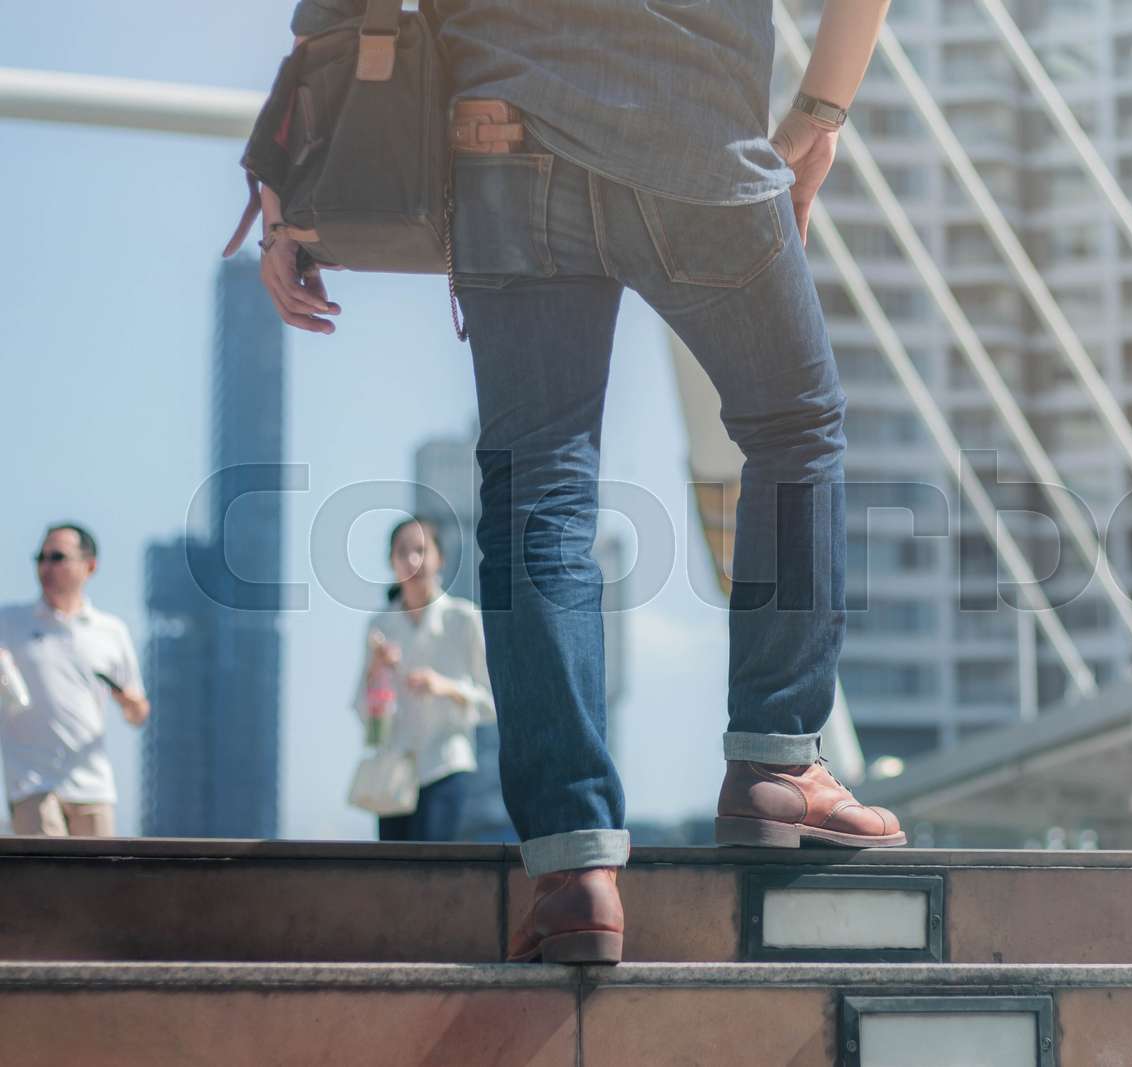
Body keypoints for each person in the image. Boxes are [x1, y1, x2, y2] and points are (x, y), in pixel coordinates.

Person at [263, 0, 903, 964]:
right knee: (792, 428)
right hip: (696, 136)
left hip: (504, 144)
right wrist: (818, 115)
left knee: (538, 492)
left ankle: (573, 870)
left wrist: (284, 193)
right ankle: (779, 768)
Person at [0, 524, 149, 837]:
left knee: (99, 870)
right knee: (48, 869)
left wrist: (130, 703)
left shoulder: (111, 631)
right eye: (40, 558)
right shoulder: (9, 622)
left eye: (57, 557)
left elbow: (138, 714)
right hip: (31, 783)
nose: (46, 567)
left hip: (93, 786)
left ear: (89, 566)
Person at [354, 517, 494, 842]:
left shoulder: (463, 618)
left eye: (421, 550)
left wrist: (444, 687)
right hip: (394, 769)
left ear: (439, 558)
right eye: (402, 552)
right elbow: (363, 710)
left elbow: (492, 702)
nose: (412, 560)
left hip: (445, 764)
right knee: (392, 866)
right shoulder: (380, 626)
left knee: (431, 861)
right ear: (391, 562)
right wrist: (376, 669)